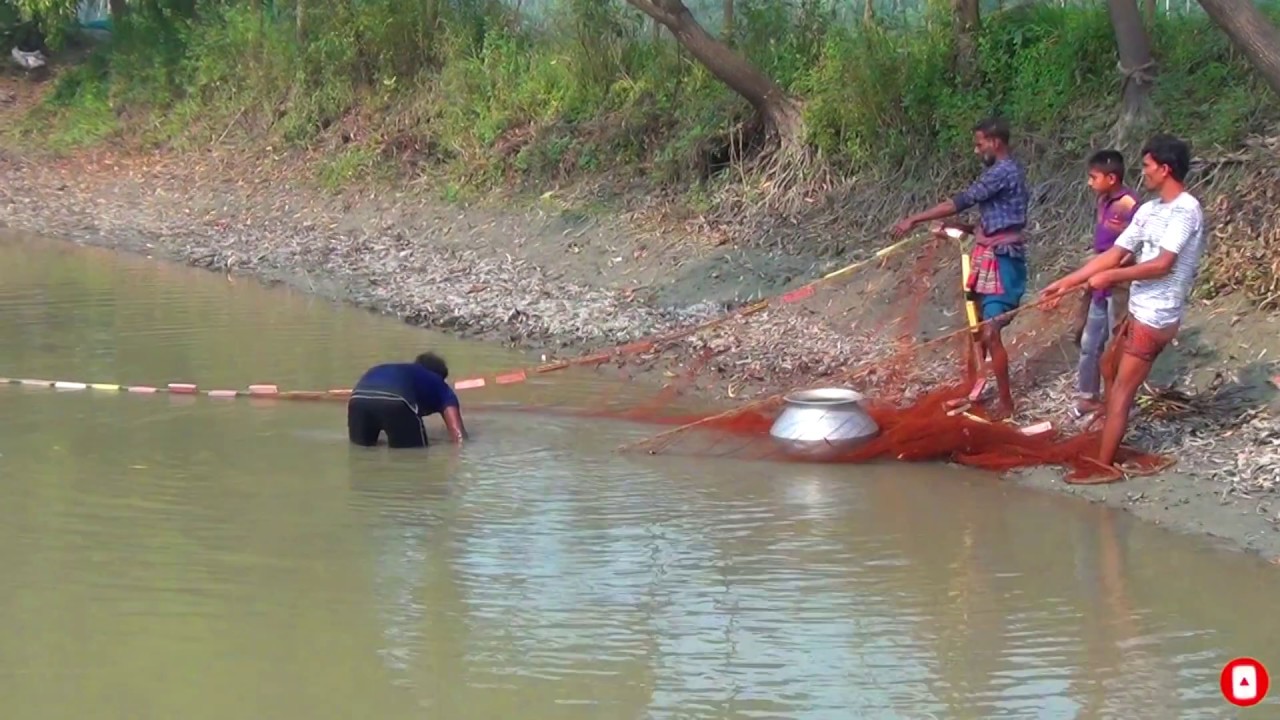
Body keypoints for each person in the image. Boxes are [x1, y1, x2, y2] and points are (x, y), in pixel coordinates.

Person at [1040, 134, 1205, 472]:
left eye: (1147, 165)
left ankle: (1103, 464)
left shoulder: (1186, 210)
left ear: (1165, 168)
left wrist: (1111, 277)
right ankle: (1110, 437)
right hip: (1138, 309)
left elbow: (1163, 264)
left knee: (1121, 392)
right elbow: (1116, 253)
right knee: (1107, 366)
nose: (1142, 172)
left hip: (1157, 316)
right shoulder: (1149, 210)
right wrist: (1066, 282)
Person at [891, 116, 1030, 419]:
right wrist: (961, 228)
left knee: (991, 331)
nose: (976, 150)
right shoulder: (1002, 172)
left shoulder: (1003, 172)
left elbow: (961, 201)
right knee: (977, 326)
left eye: (979, 144)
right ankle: (976, 388)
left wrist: (915, 218)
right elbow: (992, 219)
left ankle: (1006, 403)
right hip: (988, 254)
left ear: (995, 142)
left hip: (1003, 259)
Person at [1072, 150, 1140, 418]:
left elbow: (1130, 250)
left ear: (1111, 178)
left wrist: (1110, 270)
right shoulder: (1103, 200)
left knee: (1117, 343)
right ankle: (1087, 396)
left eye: (1094, 177)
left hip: (1119, 284)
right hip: (1099, 283)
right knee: (1089, 343)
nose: (1090, 183)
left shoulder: (1130, 204)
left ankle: (1119, 401)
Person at [347, 352, 468, 448]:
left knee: (361, 451)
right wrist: (462, 451)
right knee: (415, 456)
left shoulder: (399, 371)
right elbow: (458, 435)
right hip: (396, 397)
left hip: (358, 398)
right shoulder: (440, 385)